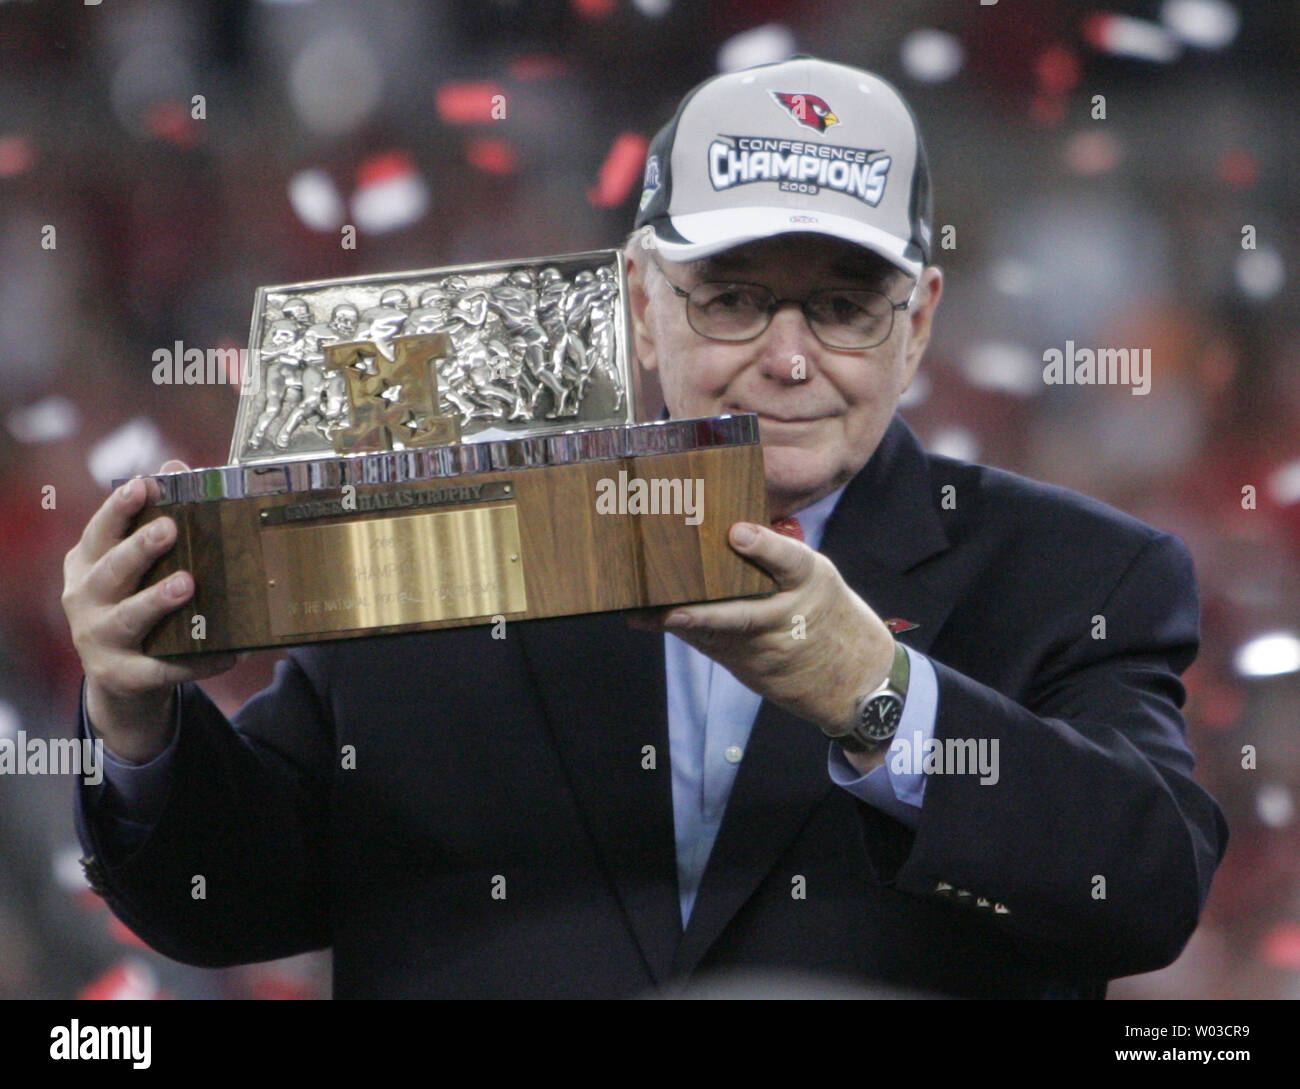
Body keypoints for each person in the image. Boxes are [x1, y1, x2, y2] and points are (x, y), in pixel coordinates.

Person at [61, 56, 1226, 999]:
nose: (785, 357)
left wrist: (880, 695)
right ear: (638, 302)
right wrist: (137, 716)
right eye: (728, 298)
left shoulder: (1080, 572)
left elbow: (1142, 884)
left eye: (841, 306)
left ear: (916, 321)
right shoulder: (434, 525)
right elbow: (233, 898)